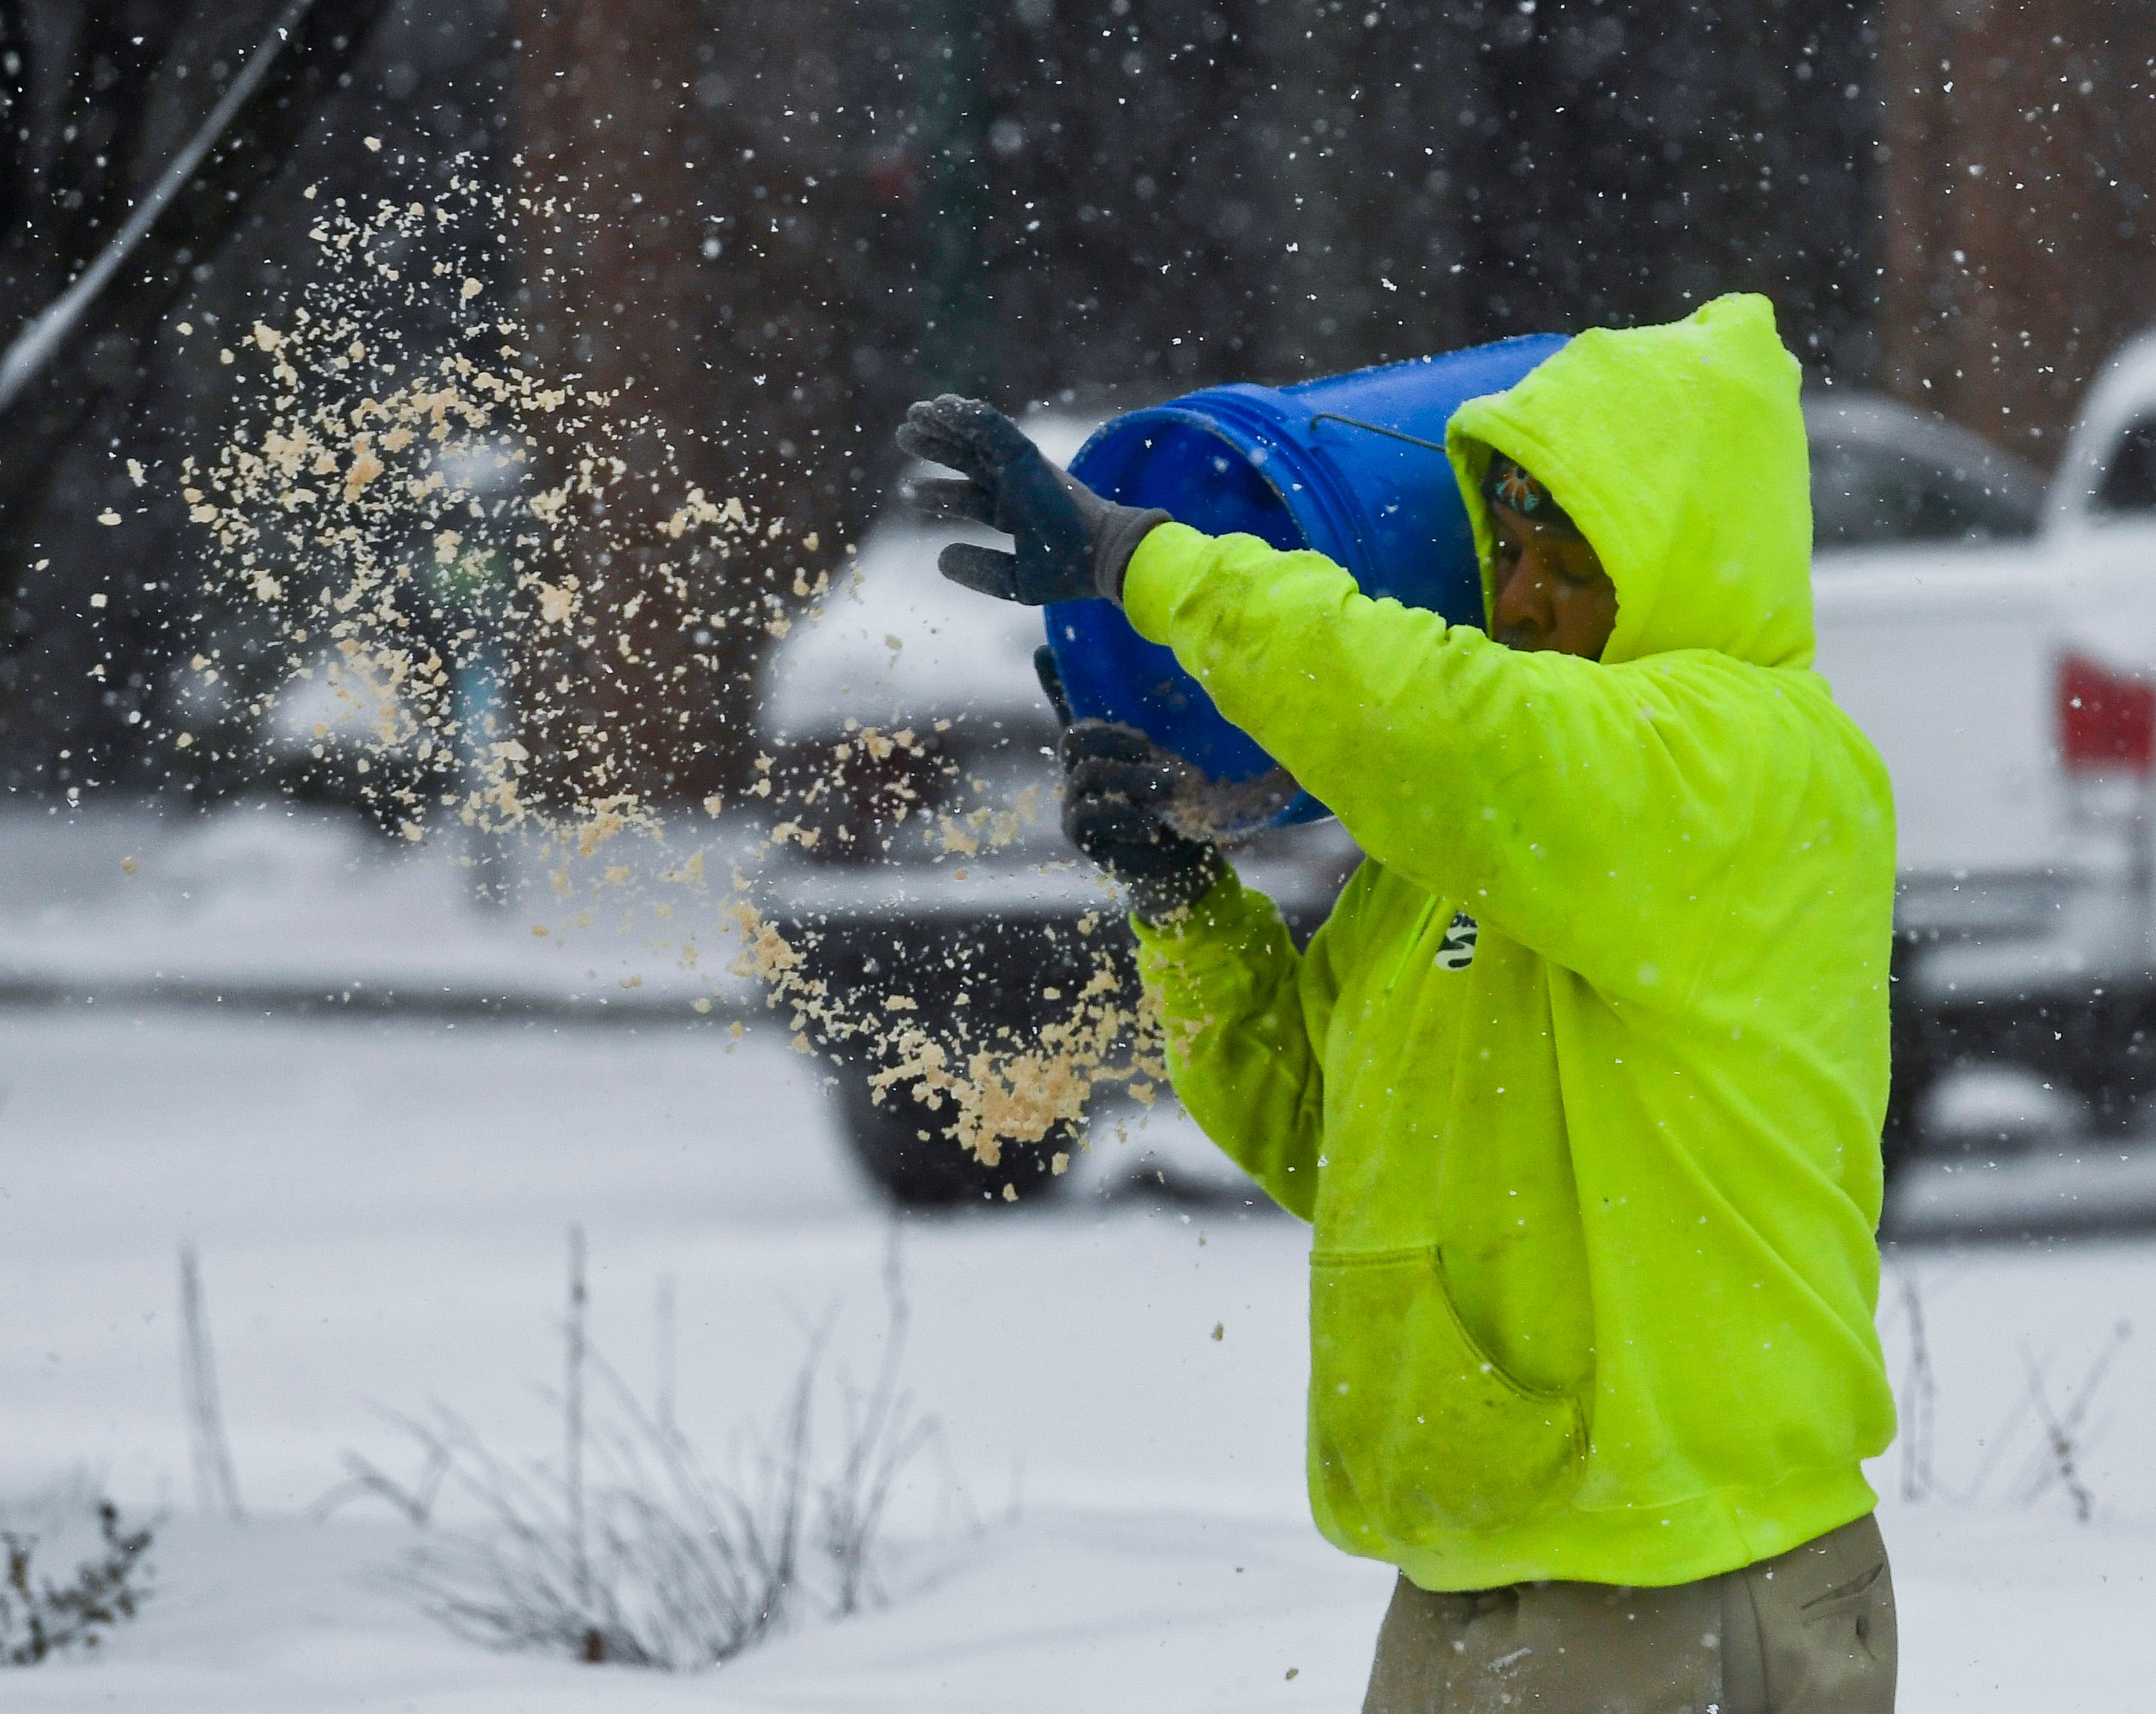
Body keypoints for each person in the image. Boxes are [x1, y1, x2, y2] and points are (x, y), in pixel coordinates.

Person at [899, 293, 1899, 1713]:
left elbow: (1449, 725)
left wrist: (1147, 561)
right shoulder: (1459, 848)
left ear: (1682, 556)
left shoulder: (1756, 766)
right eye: (1505, 552)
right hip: (1474, 1580)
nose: (1528, 598)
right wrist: (1185, 901)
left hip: (1686, 1584)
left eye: (1577, 558)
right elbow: (1327, 1141)